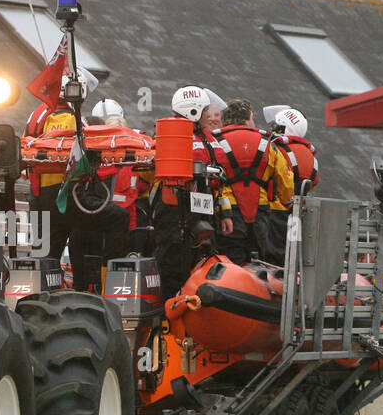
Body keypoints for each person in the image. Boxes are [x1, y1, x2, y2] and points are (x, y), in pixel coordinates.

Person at [25, 97, 130, 294]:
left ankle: (41, 294)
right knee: (119, 218)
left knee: (48, 255)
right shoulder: (68, 119)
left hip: (42, 198)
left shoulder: (39, 115)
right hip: (67, 197)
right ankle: (111, 287)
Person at [149, 86, 232, 301]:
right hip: (175, 210)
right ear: (193, 112)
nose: (210, 115)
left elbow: (219, 181)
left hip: (203, 212)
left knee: (201, 260)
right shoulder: (170, 136)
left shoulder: (209, 139)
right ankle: (169, 314)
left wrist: (225, 214)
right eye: (205, 110)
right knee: (173, 263)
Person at [207, 98, 294, 265]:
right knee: (259, 261)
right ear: (247, 119)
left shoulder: (214, 141)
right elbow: (285, 180)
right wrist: (285, 198)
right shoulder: (267, 143)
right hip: (260, 214)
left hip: (226, 212)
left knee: (229, 260)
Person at [263, 107, 317, 261]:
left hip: (273, 213)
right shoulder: (311, 157)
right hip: (298, 216)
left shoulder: (276, 151)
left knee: (270, 261)